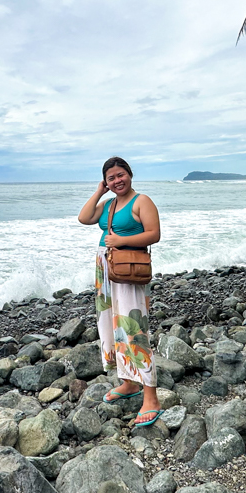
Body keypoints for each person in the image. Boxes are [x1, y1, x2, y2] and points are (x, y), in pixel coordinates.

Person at [77, 156, 162, 427]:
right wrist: (100, 191)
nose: (117, 181)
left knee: (133, 326)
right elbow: (84, 217)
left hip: (129, 267)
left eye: (120, 175)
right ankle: (128, 382)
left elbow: (154, 234)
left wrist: (121, 240)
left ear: (130, 174)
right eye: (111, 178)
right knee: (110, 325)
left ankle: (151, 395)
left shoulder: (142, 201)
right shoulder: (109, 204)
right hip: (105, 266)